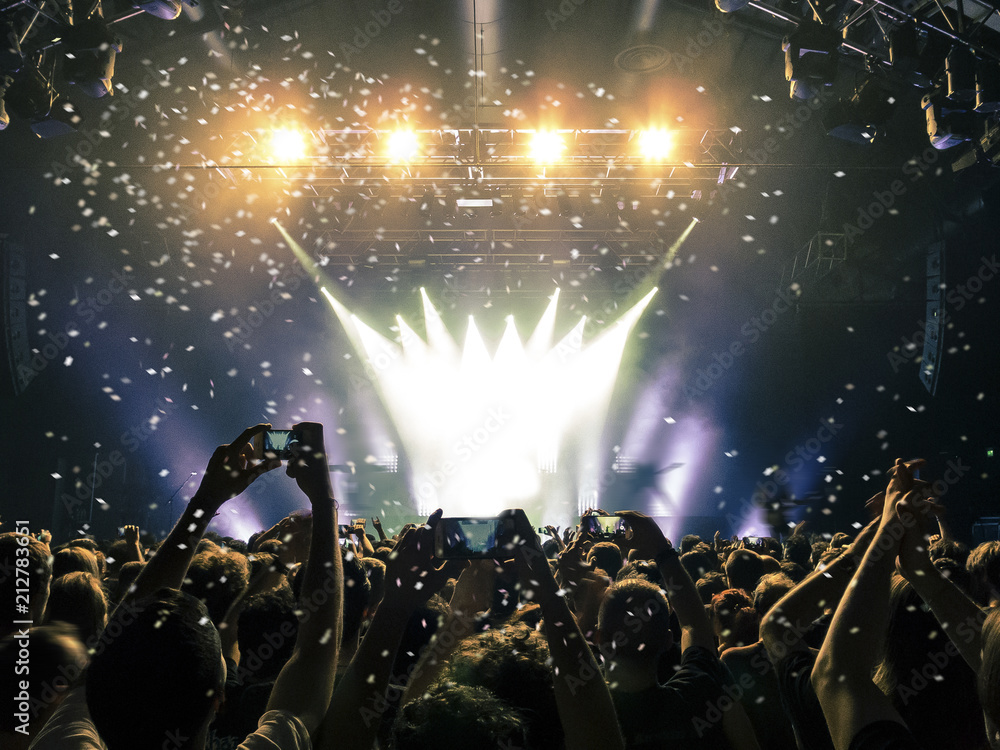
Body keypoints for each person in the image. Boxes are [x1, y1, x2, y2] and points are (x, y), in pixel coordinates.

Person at [31, 422, 343, 750]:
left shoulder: (65, 738)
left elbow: (113, 649)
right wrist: (324, 503)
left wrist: (206, 501)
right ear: (218, 700)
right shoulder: (71, 730)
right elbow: (312, 659)